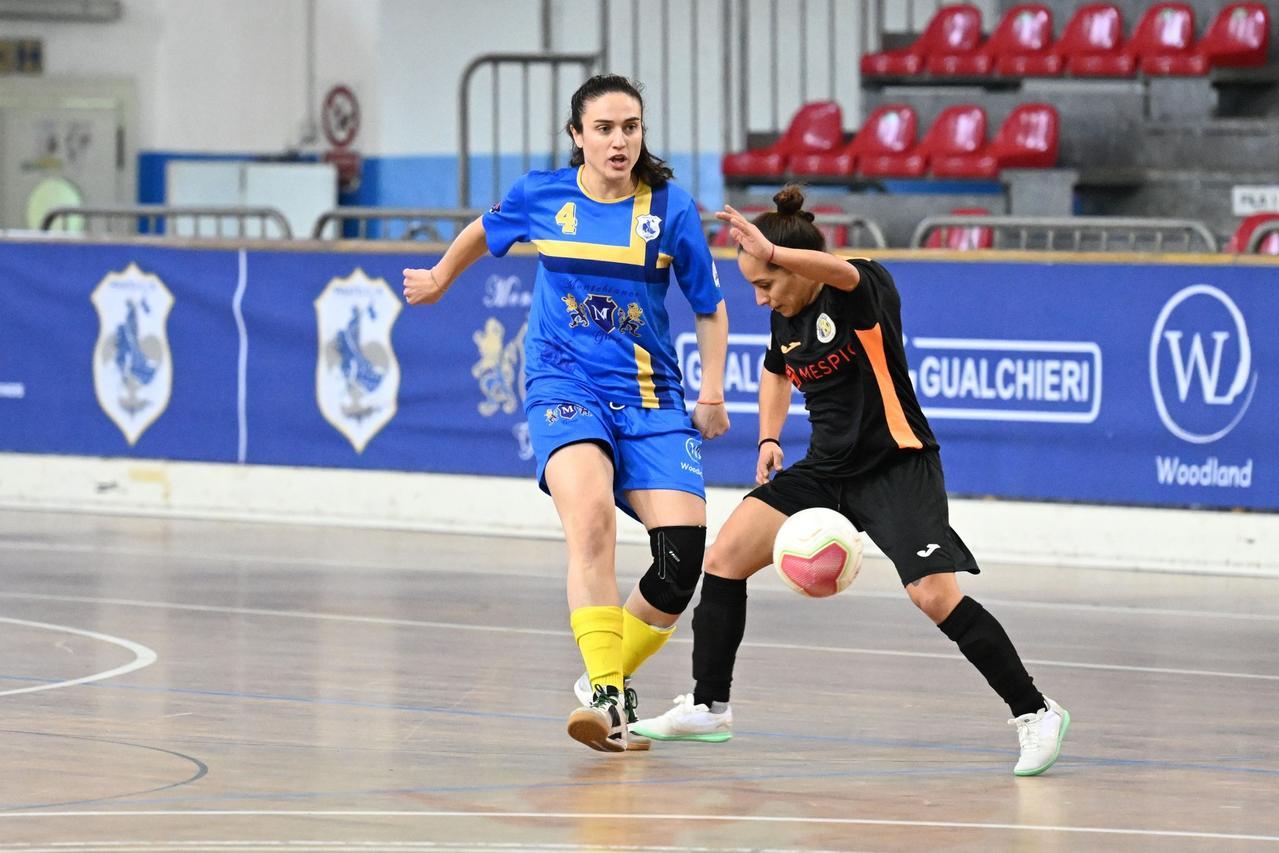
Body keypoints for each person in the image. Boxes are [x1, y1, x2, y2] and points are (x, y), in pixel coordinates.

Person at [628, 187, 1070, 776]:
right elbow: (775, 371)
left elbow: (841, 272)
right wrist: (768, 438)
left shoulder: (861, 286)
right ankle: (709, 706)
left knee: (933, 596)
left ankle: (1035, 711)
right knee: (725, 558)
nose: (760, 298)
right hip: (826, 470)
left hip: (896, 465)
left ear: (793, 265)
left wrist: (774, 252)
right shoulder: (785, 316)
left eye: (766, 282)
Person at [402, 75, 730, 754]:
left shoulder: (670, 208)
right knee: (591, 521)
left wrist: (713, 393)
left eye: (630, 127)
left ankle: (605, 674)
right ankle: (609, 698)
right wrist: (438, 277)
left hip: (651, 397)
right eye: (604, 128)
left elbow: (709, 306)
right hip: (563, 384)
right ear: (577, 135)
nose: (619, 140)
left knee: (679, 564)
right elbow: (483, 230)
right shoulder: (542, 194)